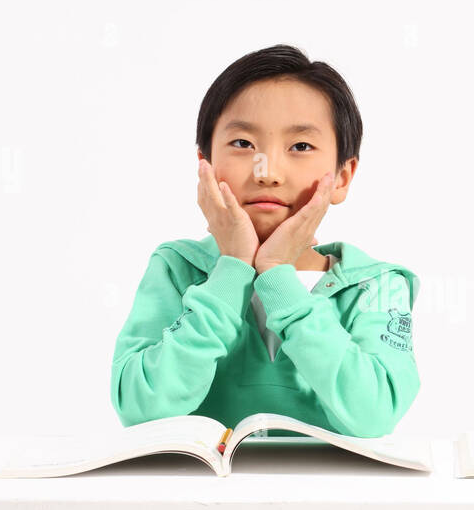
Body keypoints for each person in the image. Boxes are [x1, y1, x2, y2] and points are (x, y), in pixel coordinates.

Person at [111, 45, 419, 437]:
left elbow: (374, 415)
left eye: (301, 147)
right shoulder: (176, 267)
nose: (268, 173)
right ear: (204, 164)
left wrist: (277, 276)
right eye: (243, 144)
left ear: (342, 176)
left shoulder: (377, 284)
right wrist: (233, 270)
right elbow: (141, 409)